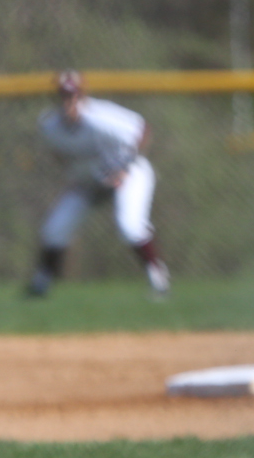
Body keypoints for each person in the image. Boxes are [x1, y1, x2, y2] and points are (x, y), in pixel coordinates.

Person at [26, 70, 171, 300]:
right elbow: (58, 154)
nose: (68, 102)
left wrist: (123, 167)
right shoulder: (50, 126)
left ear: (82, 96)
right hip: (88, 181)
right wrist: (76, 175)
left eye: (73, 96)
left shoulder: (99, 117)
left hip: (129, 173)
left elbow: (143, 131)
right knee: (55, 228)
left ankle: (158, 280)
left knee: (129, 225)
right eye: (63, 96)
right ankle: (40, 285)